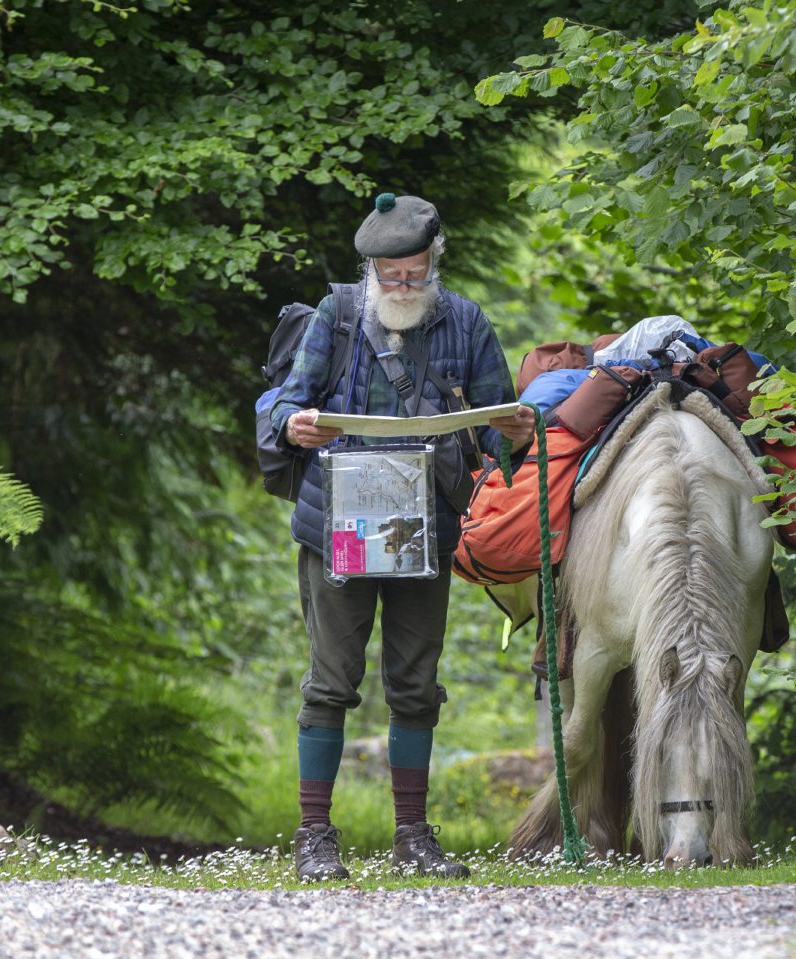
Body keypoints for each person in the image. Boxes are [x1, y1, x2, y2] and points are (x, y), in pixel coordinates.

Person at [270, 193, 535, 880]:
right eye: (390, 275)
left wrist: (512, 433)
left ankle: (413, 838)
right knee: (331, 680)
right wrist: (295, 424)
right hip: (337, 524)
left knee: (416, 684)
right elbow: (289, 403)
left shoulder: (466, 322)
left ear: (433, 261)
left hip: (427, 524)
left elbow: (494, 431)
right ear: (371, 269)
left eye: (414, 273)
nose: (402, 285)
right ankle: (313, 837)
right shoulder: (336, 313)